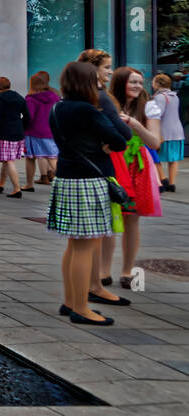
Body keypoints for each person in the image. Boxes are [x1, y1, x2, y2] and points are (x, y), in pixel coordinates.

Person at [47, 61, 130, 325]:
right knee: (84, 245)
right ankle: (81, 308)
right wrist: (104, 147)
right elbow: (119, 139)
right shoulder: (87, 109)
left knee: (74, 244)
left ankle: (70, 301)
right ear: (87, 82)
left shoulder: (58, 107)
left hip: (66, 177)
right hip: (89, 179)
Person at [76, 49, 133, 300]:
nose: (110, 71)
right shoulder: (100, 98)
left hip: (74, 168)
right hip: (98, 169)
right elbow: (124, 135)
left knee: (77, 240)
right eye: (107, 67)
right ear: (93, 69)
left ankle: (75, 295)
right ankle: (92, 287)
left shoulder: (71, 97)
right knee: (94, 234)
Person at [108, 66, 162, 290]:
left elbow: (155, 142)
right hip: (113, 162)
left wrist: (136, 125)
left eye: (140, 82)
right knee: (108, 218)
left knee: (132, 220)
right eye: (132, 82)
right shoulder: (109, 105)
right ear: (121, 83)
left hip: (136, 167)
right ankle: (103, 271)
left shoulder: (149, 107)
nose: (137, 86)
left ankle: (127, 271)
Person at [0, 76, 30, 198]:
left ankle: (17, 188)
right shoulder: (19, 98)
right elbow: (27, 116)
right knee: (7, 160)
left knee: (9, 160)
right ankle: (1, 184)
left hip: (4, 132)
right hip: (17, 132)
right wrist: (21, 127)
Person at [24, 71, 60, 191]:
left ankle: (29, 184)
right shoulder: (54, 96)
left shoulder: (30, 99)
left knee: (30, 158)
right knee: (52, 157)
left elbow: (30, 117)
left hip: (33, 132)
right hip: (51, 131)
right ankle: (66, 180)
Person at [152, 73, 183, 193]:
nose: (152, 84)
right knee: (173, 159)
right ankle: (172, 183)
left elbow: (157, 115)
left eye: (154, 81)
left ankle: (163, 179)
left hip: (164, 132)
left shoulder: (160, 97)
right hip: (177, 132)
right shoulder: (175, 96)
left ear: (159, 83)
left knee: (155, 157)